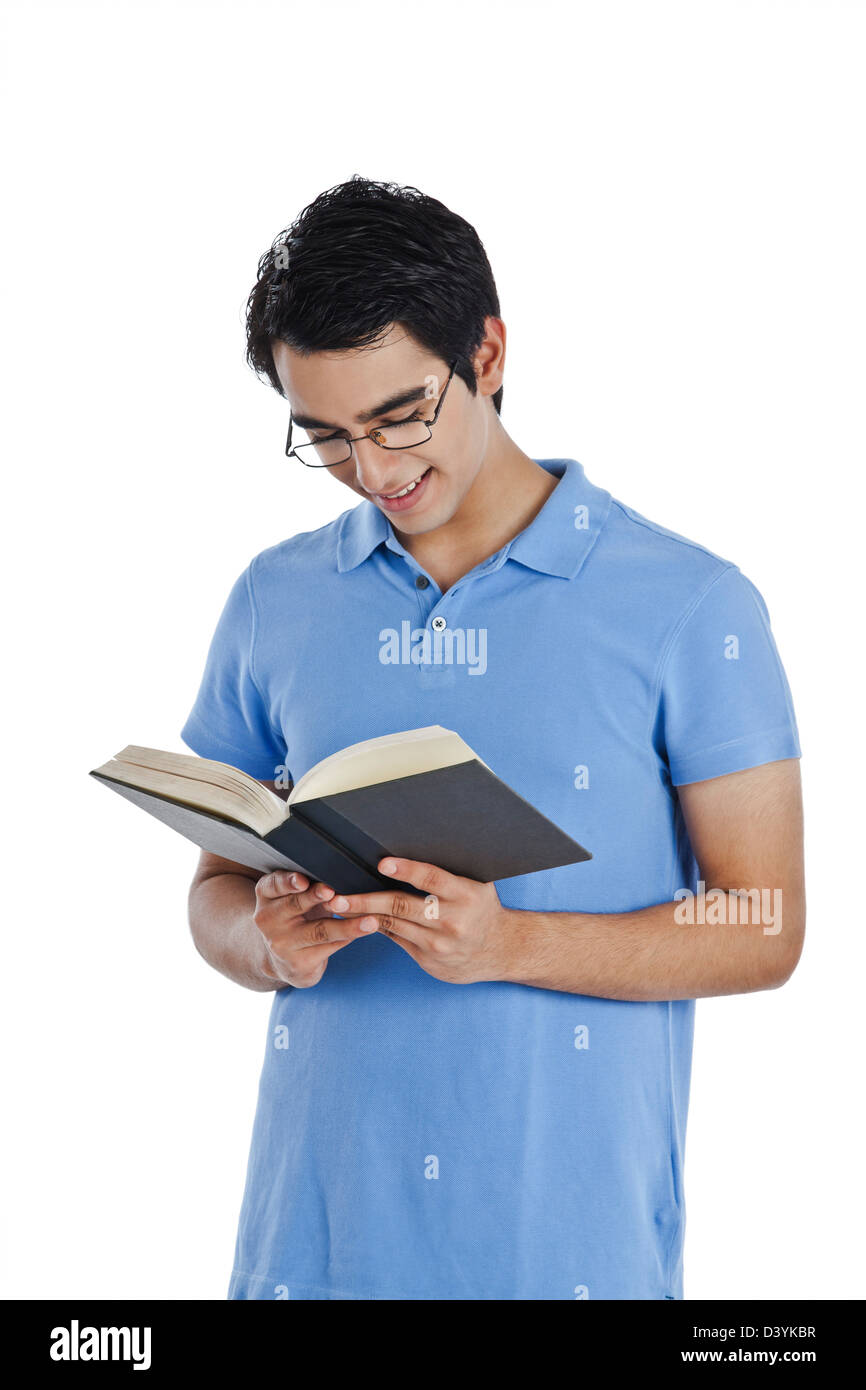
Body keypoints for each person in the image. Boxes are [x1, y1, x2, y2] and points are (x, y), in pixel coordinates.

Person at [181, 176, 804, 1301]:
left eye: (398, 416)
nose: (371, 471)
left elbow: (763, 923)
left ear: (489, 352)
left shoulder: (688, 604)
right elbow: (214, 890)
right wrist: (269, 943)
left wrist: (512, 945)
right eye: (322, 434)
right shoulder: (274, 599)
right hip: (311, 1254)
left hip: (566, 1260)